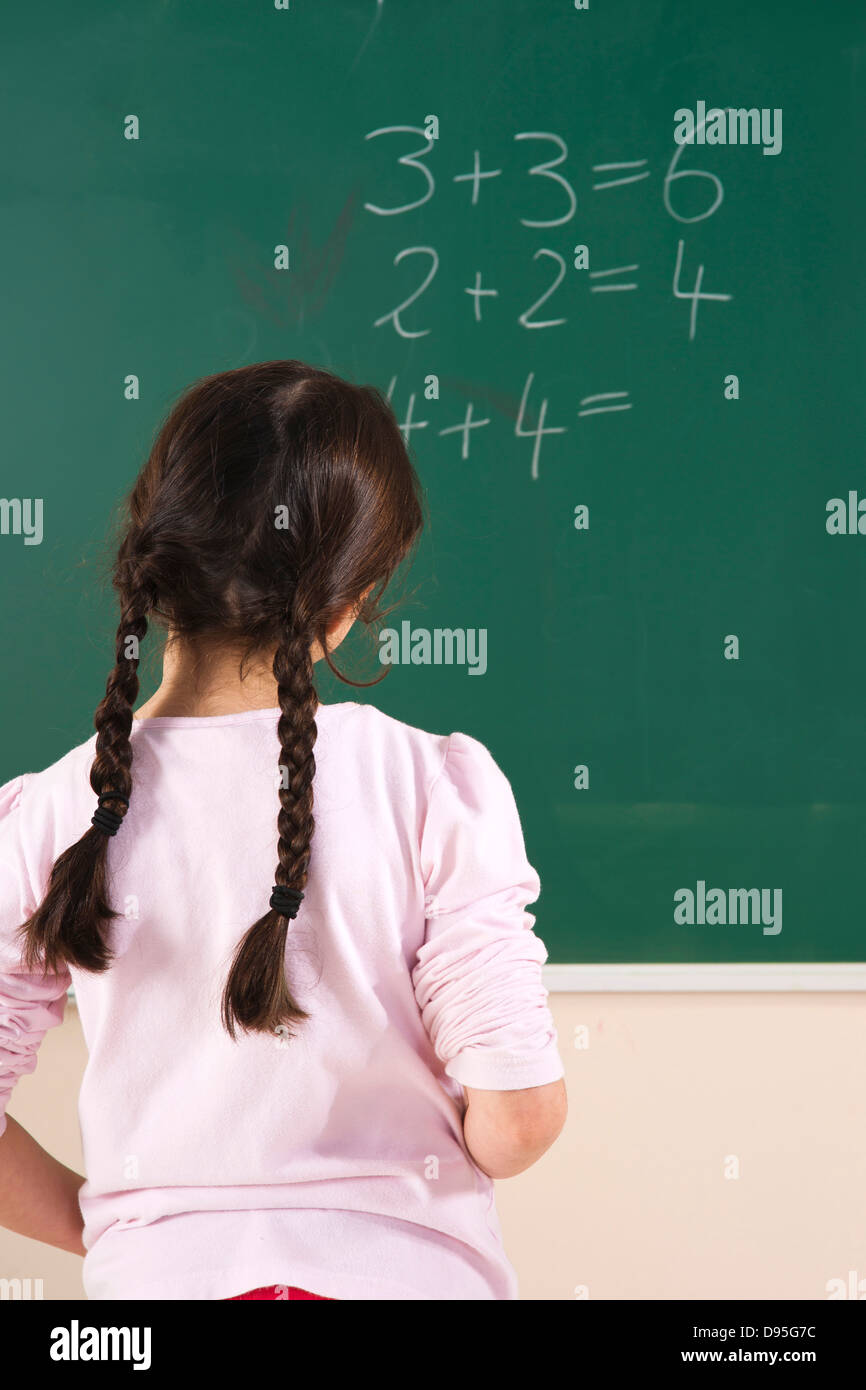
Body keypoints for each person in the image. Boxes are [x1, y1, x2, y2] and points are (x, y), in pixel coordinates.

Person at [0, 360, 567, 1300]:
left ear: (156, 563)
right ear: (347, 605)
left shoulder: (51, 812)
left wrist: (121, 1226)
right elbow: (521, 1119)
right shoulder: (434, 788)